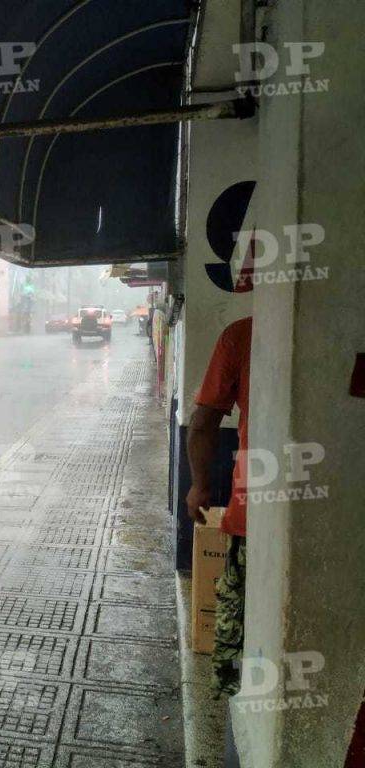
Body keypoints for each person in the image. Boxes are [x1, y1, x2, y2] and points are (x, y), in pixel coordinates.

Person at [186, 316, 252, 762]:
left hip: (252, 513)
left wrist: (200, 487)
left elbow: (203, 422)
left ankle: (241, 723)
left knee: (241, 625)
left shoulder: (242, 335)